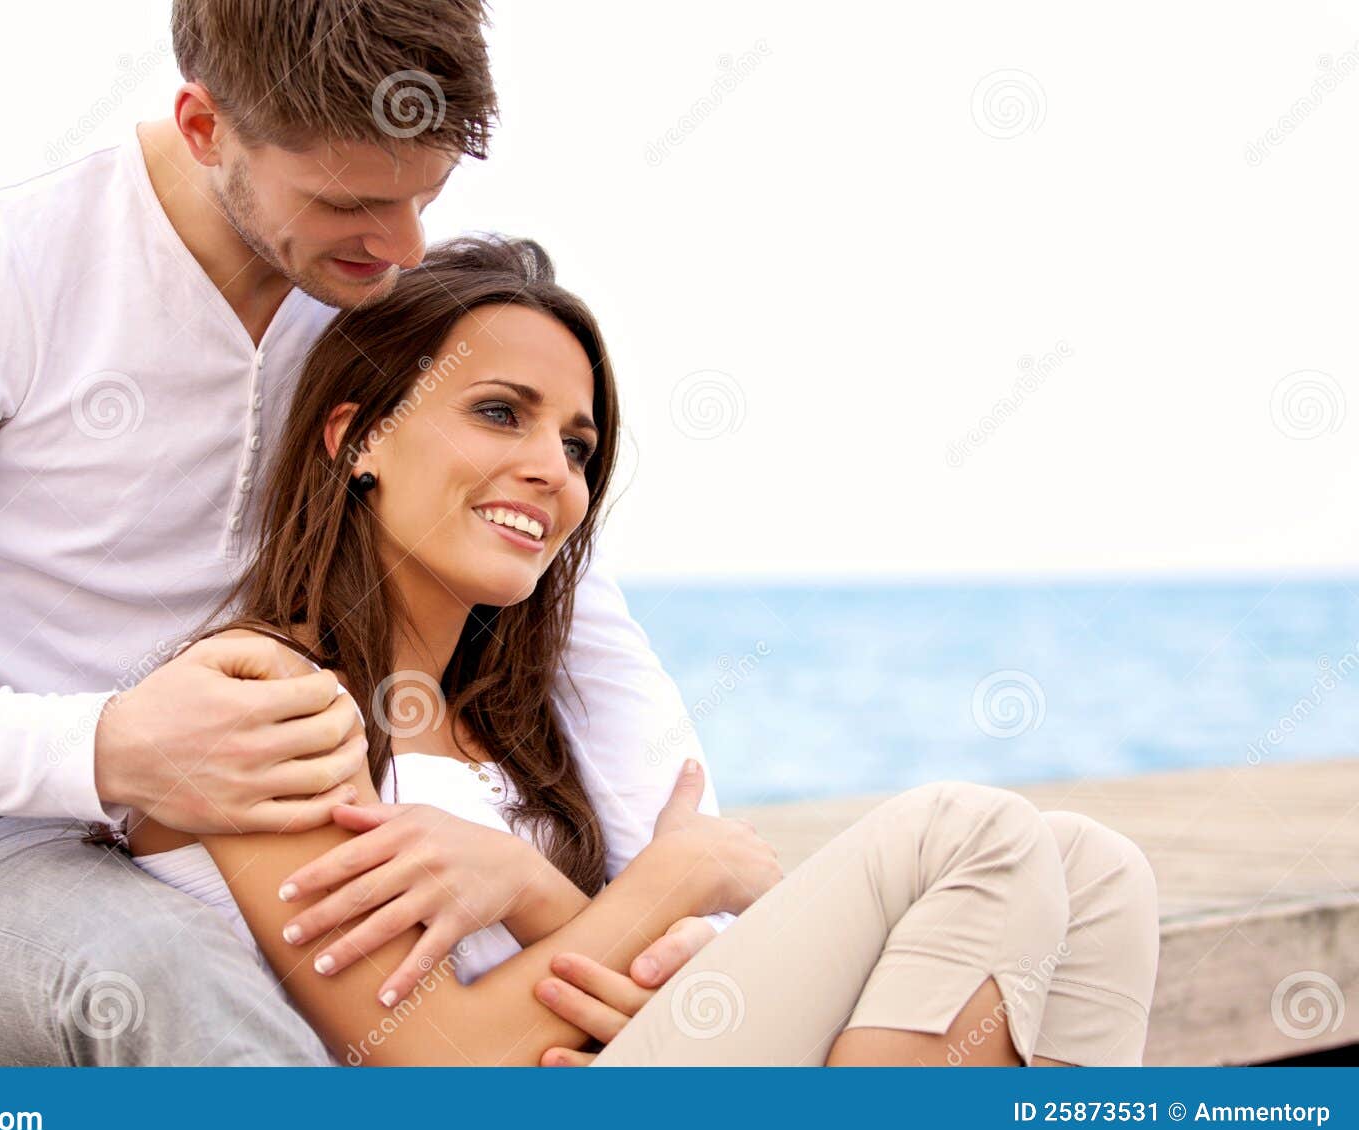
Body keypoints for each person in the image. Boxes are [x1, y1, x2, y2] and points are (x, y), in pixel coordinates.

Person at [0, 0, 732, 1065]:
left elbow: (582, 631)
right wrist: (115, 748)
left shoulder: (373, 291)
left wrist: (697, 921)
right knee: (171, 977)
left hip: (279, 836)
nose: (403, 247)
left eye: (427, 195)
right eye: (351, 201)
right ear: (204, 125)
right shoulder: (3, 272)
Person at [125, 233, 1162, 1067]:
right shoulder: (261, 698)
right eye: (499, 413)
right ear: (358, 438)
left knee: (1096, 871)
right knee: (969, 833)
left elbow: (601, 975)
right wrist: (680, 875)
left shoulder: (509, 724)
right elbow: (435, 1059)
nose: (552, 469)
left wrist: (528, 884)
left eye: (576, 445)